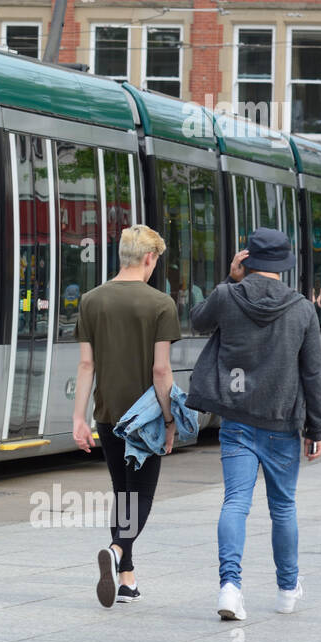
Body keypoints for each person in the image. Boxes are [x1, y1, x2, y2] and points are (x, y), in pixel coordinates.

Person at [187, 228, 321, 620]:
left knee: (235, 503)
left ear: (246, 258)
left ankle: (230, 588)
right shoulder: (301, 309)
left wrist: (231, 279)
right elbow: (313, 375)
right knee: (283, 508)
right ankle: (286, 589)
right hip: (282, 424)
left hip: (236, 420)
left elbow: (197, 321)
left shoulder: (227, 297)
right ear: (285, 264)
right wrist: (315, 430)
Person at [72, 224, 180, 607]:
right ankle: (117, 550)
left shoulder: (91, 300)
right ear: (149, 258)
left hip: (107, 415)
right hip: (145, 418)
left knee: (122, 493)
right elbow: (161, 372)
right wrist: (169, 420)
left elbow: (87, 366)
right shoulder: (161, 304)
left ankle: (127, 581)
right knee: (143, 494)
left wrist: (78, 419)